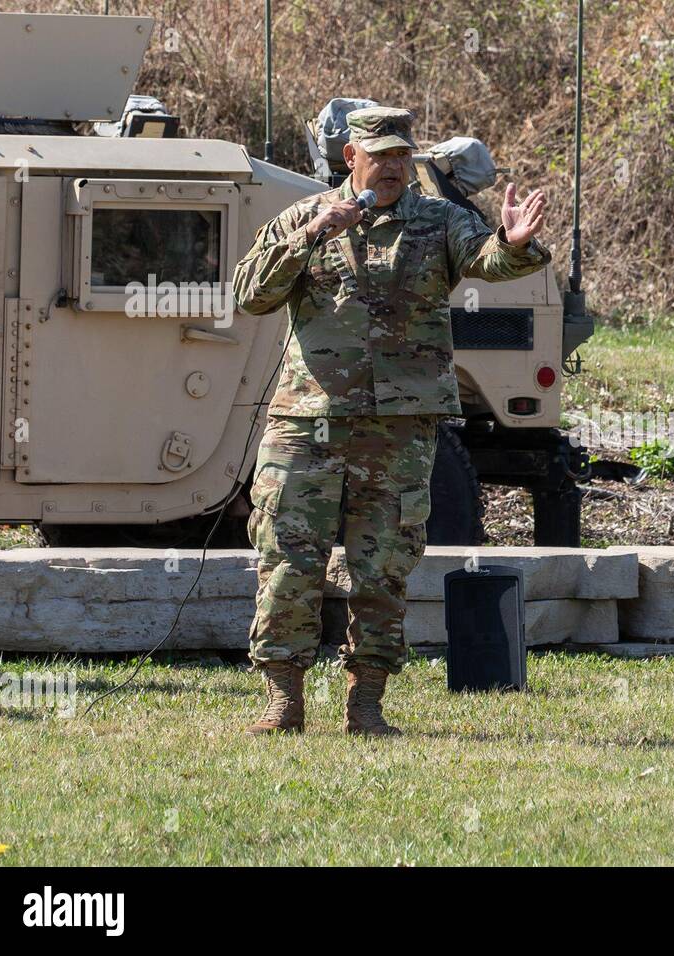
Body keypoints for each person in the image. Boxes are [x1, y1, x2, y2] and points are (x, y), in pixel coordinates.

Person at [232, 107, 549, 736]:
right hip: (308, 423)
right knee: (288, 560)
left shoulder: (437, 221)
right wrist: (315, 233)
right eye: (381, 156)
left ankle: (367, 700)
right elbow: (250, 294)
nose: (395, 168)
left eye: (404, 156)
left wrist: (513, 245)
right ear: (351, 158)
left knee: (383, 566)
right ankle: (283, 699)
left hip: (399, 429)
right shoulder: (305, 217)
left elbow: (488, 259)